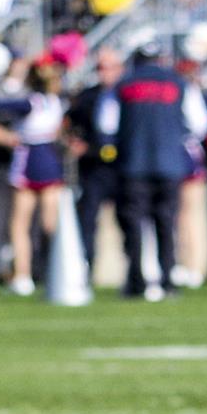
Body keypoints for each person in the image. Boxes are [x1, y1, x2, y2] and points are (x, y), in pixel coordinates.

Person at [107, 40, 207, 301]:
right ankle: (167, 280)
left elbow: (106, 124)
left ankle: (137, 281)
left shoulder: (123, 84)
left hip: (133, 165)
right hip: (170, 164)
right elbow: (200, 124)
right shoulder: (179, 83)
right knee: (166, 223)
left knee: (134, 224)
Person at [0, 63, 67, 296]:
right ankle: (57, 269)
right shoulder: (57, 100)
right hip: (50, 159)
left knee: (20, 225)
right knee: (51, 223)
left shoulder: (30, 103)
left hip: (30, 160)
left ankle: (23, 275)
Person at [66, 47, 123, 273]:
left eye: (109, 68)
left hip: (123, 166)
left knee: (128, 218)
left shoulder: (128, 94)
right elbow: (68, 124)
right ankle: (85, 268)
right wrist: (75, 143)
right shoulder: (87, 96)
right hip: (93, 166)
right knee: (88, 218)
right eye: (100, 68)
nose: (104, 73)